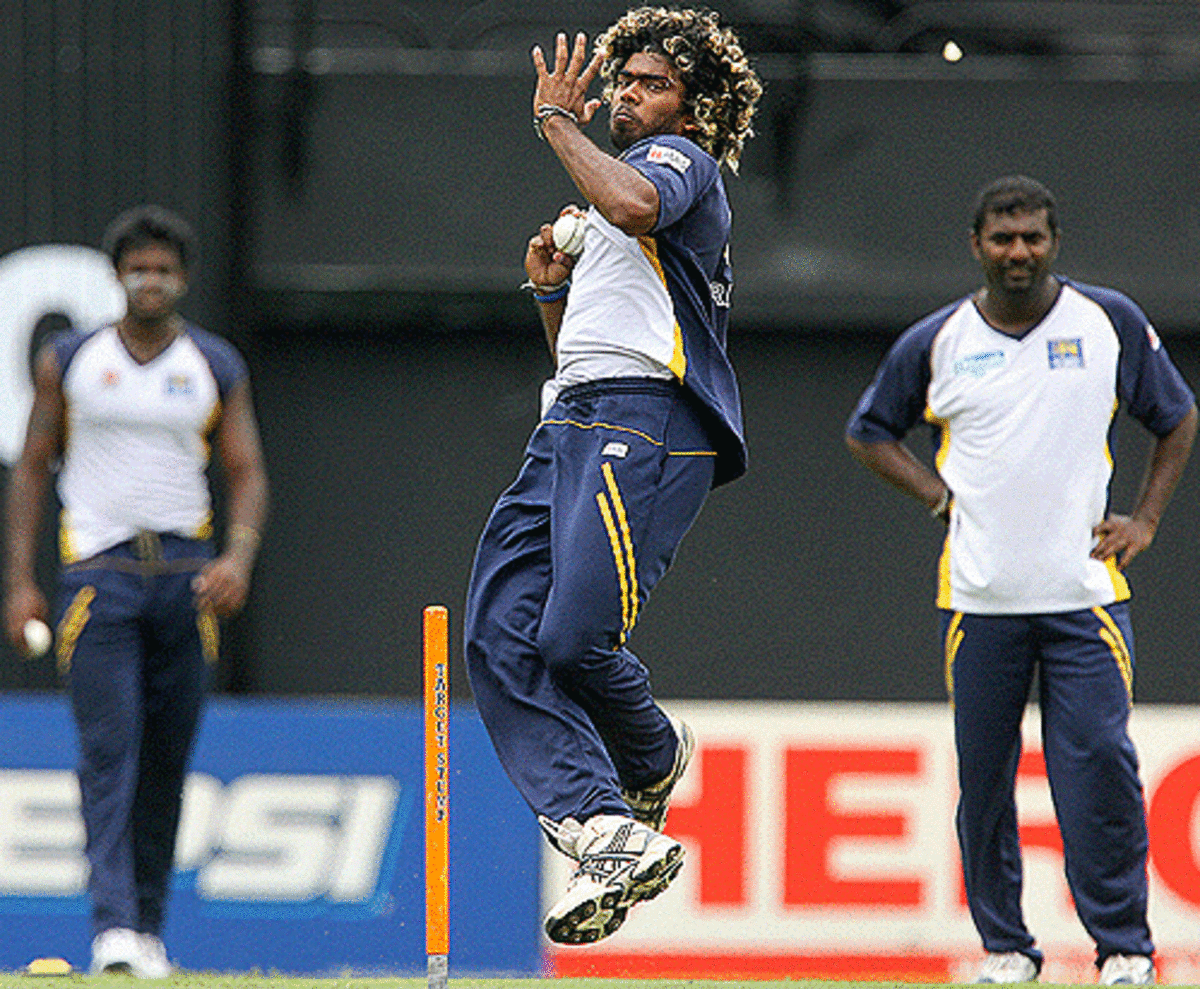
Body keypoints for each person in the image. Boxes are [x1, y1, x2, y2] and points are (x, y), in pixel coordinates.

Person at [846, 176, 1196, 986]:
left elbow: (1177, 417)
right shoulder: (937, 341)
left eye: (1032, 237)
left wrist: (1143, 519)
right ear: (976, 246)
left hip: (1085, 600)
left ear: (1054, 241)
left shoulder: (1107, 322)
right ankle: (1006, 948)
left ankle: (1125, 950)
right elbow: (869, 430)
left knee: (1100, 767)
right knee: (987, 782)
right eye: (1003, 239)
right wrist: (936, 495)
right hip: (980, 603)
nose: (1018, 253)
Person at [463, 6, 761, 945]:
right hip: (574, 417)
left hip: (649, 421)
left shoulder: (680, 166)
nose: (628, 96)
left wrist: (558, 121)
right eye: (622, 82)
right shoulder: (608, 202)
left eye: (650, 84)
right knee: (498, 634)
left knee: (573, 638)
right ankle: (601, 823)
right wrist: (553, 289)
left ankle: (653, 750)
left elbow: (634, 208)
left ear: (694, 108)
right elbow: (586, 348)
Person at [2, 205, 269, 978]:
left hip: (189, 580)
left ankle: (148, 930)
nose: (150, 282)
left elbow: (247, 474)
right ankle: (112, 926)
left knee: (166, 758)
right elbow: (31, 468)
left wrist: (238, 559)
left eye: (163, 269)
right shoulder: (72, 357)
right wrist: (21, 582)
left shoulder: (213, 364)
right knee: (109, 753)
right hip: (98, 579)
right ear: (117, 277)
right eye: (137, 269)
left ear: (182, 279)